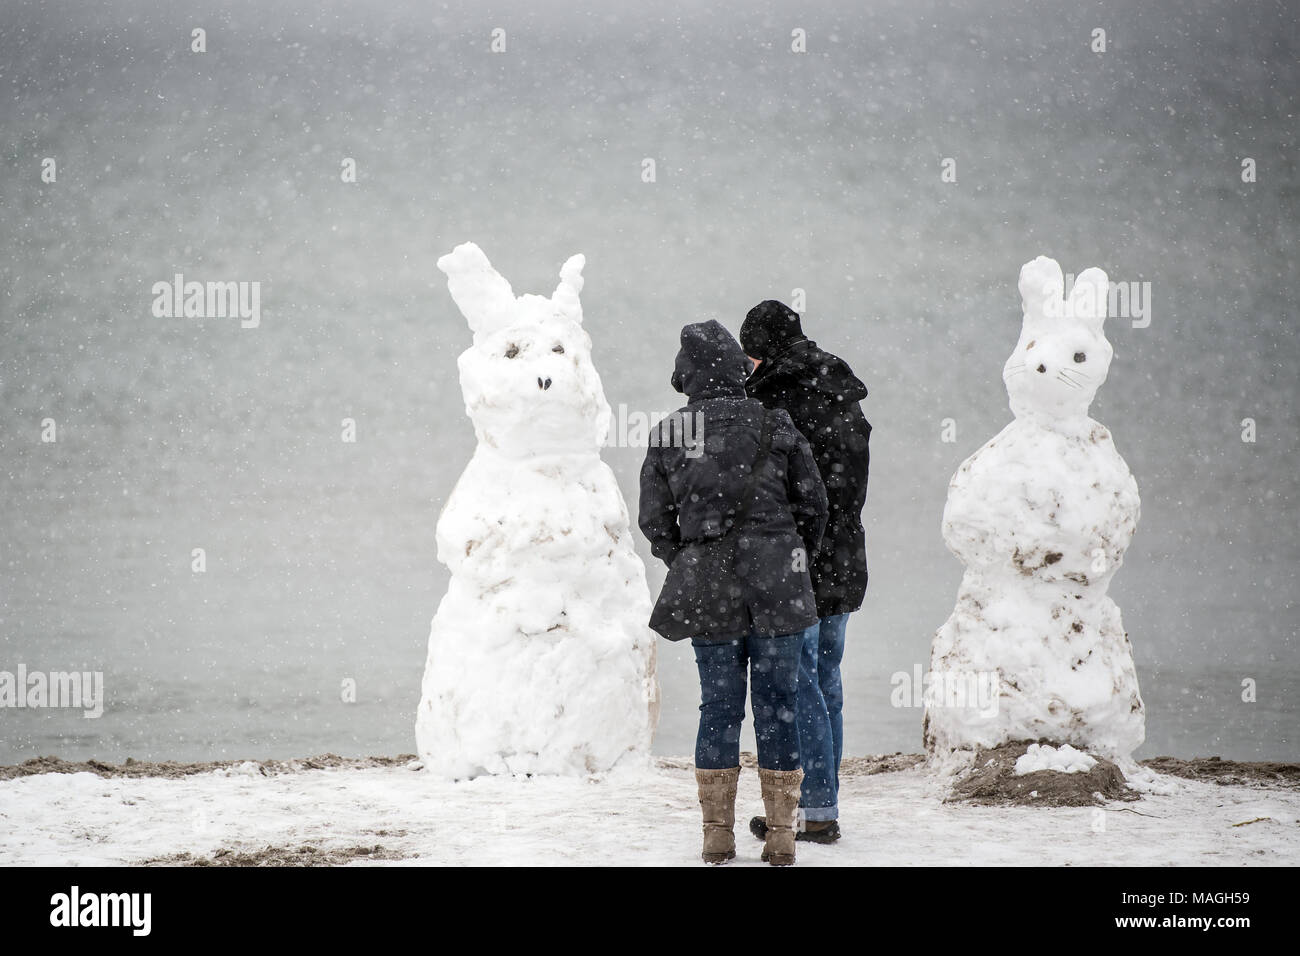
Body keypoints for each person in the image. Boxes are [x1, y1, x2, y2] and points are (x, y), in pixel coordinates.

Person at [639, 320, 828, 866]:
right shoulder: (777, 423)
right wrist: (790, 560)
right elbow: (813, 507)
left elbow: (655, 520)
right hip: (779, 586)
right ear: (738, 370)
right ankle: (783, 837)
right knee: (779, 707)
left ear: (688, 374)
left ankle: (716, 835)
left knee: (718, 707)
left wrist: (689, 557)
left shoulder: (671, 432)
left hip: (709, 586)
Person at [739, 300, 871, 844]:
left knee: (798, 686)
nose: (745, 365)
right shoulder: (840, 385)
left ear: (761, 349)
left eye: (749, 354)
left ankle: (813, 810)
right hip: (844, 551)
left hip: (799, 557)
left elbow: (778, 489)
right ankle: (823, 801)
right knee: (827, 680)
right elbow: (850, 481)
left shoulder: (771, 400)